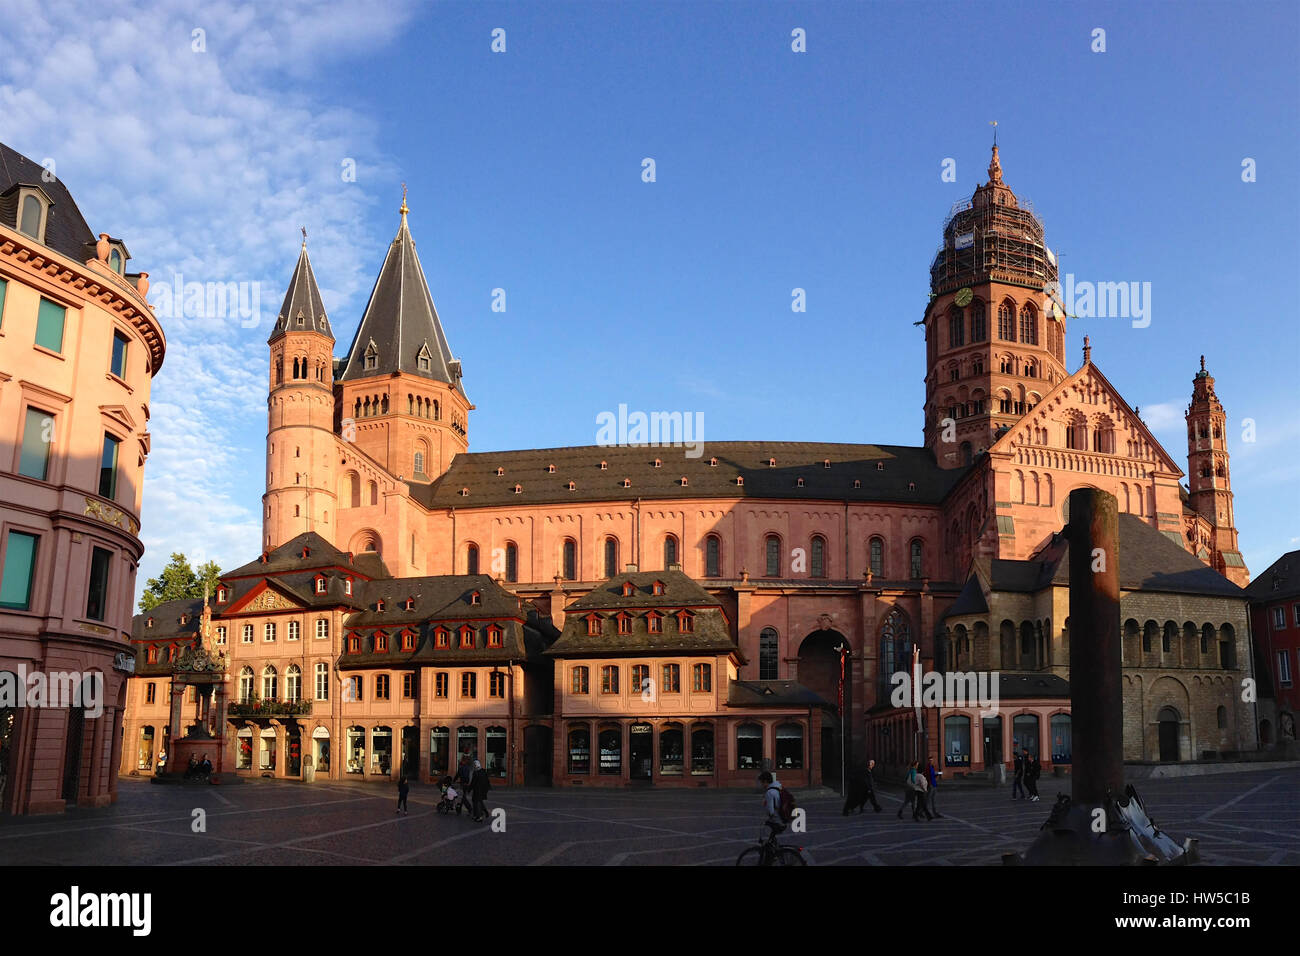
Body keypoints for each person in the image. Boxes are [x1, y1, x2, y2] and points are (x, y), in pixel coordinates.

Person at [758, 771, 785, 857]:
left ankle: (771, 857)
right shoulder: (777, 787)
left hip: (778, 821)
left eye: (762, 782)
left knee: (764, 836)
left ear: (765, 781)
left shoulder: (769, 792)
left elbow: (771, 812)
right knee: (771, 839)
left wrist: (767, 820)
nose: (761, 785)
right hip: (783, 819)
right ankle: (774, 853)